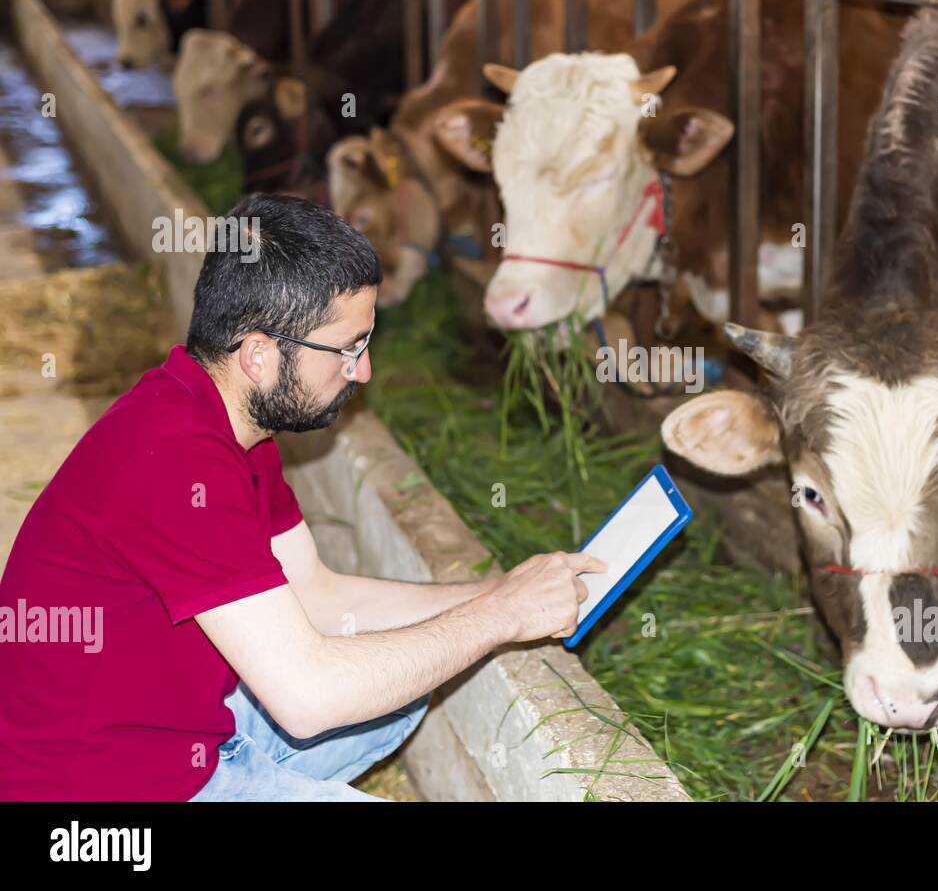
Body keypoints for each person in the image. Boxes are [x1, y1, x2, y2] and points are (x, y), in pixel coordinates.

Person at [0, 194, 606, 800]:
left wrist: (497, 593)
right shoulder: (181, 466)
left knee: (405, 680)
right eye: (347, 349)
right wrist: (501, 618)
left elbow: (318, 593)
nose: (362, 372)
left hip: (181, 728)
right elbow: (307, 700)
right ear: (258, 353)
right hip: (96, 792)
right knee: (387, 670)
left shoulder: (228, 422)